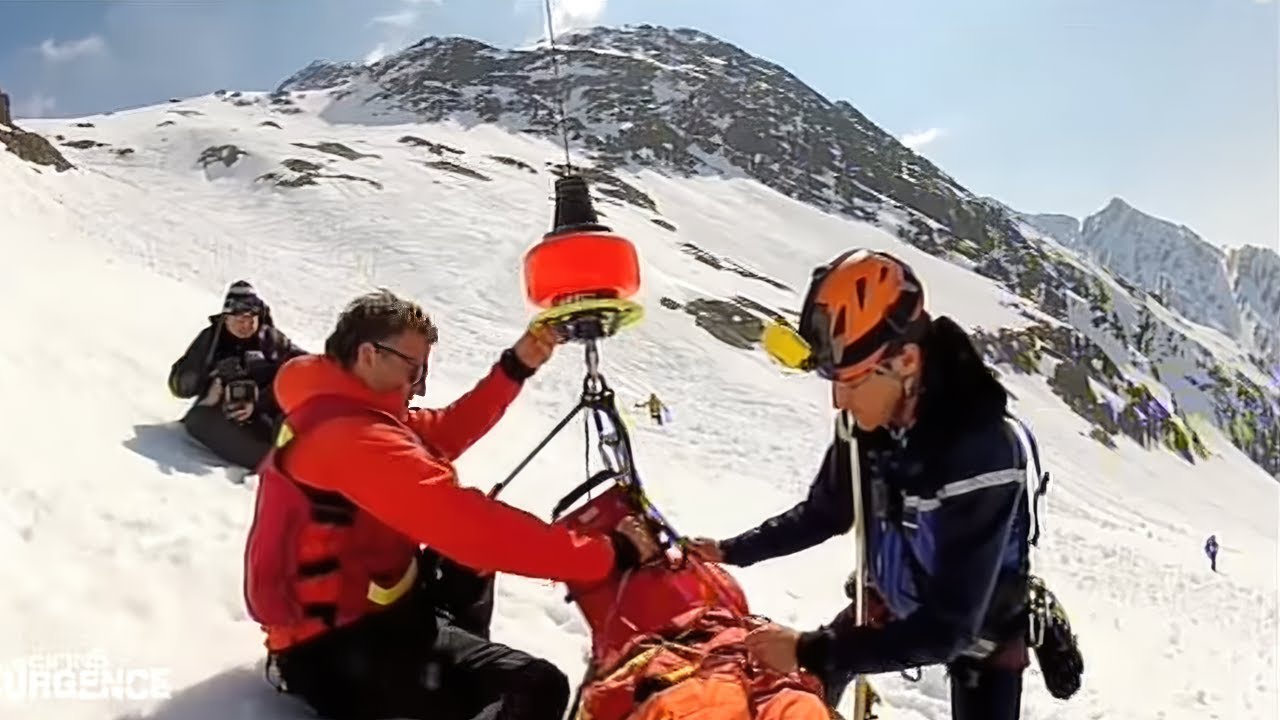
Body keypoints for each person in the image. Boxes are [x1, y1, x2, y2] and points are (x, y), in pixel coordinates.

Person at [242, 288, 660, 720]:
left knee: (467, 563)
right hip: (335, 651)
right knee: (535, 687)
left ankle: (456, 682)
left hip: (376, 613)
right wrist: (609, 554)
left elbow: (444, 431)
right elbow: (471, 529)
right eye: (414, 369)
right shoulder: (350, 438)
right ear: (369, 355)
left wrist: (517, 366)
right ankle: (455, 687)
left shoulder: (348, 408)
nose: (421, 385)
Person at [688, 249, 1041, 720]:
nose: (839, 401)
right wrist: (730, 550)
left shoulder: (982, 452)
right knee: (817, 678)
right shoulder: (866, 427)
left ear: (907, 361)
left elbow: (947, 630)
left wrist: (809, 650)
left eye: (852, 383)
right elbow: (827, 513)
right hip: (894, 600)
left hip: (979, 629)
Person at [168, 280, 306, 469]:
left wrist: (260, 400)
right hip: (220, 413)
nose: (246, 326)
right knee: (198, 421)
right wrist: (210, 384)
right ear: (226, 318)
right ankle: (275, 464)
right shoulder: (211, 341)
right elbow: (180, 388)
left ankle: (291, 460)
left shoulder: (271, 338)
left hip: (267, 413)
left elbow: (303, 368)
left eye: (251, 320)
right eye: (240, 320)